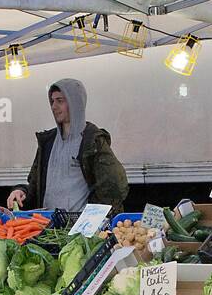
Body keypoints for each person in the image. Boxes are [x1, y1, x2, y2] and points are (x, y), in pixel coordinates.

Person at [7, 78, 129, 215]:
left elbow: (115, 186)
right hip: (47, 227)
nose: (54, 106)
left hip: (78, 230)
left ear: (75, 103)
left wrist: (90, 219)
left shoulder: (93, 141)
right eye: (52, 101)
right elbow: (36, 187)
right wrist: (21, 191)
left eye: (60, 101)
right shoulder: (47, 142)